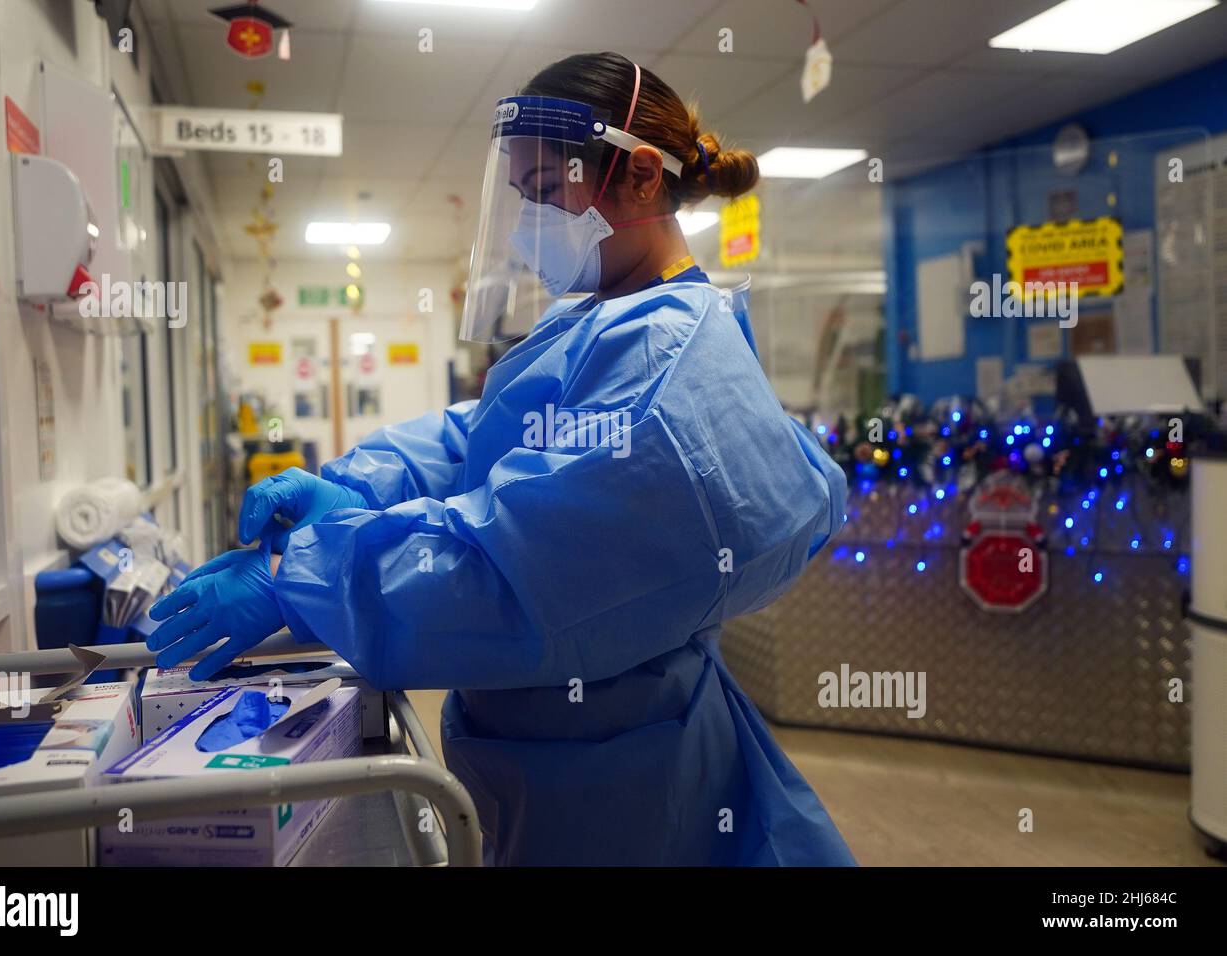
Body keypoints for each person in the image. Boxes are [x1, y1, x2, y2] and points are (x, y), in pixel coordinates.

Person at [149, 52, 855, 866]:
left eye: (549, 193)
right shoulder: (604, 316)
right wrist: (349, 488)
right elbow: (487, 435)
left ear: (642, 177)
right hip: (556, 755)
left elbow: (508, 574)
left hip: (619, 786)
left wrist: (302, 575)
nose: (529, 226)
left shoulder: (665, 361)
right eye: (522, 197)